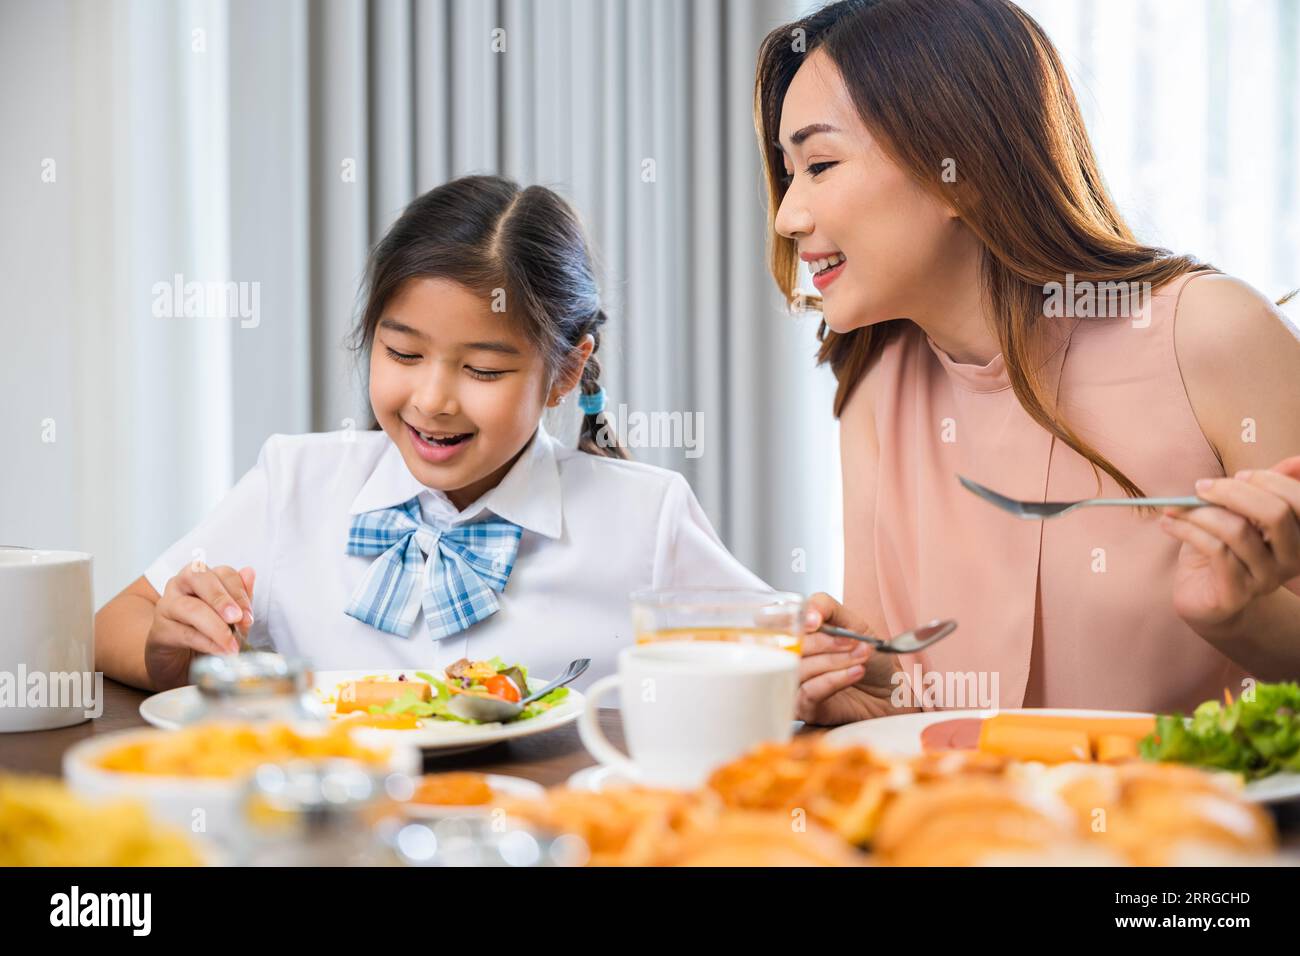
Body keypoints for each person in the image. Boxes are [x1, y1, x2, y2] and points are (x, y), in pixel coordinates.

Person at [753, 0, 1300, 722]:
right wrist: (859, 681)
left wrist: (1241, 622)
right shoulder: (876, 384)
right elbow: (908, 695)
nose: (788, 217)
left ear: (960, 168)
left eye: (819, 164)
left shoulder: (1213, 333)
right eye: (789, 175)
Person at [95, 175, 765, 691]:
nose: (433, 400)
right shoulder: (295, 483)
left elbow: (779, 659)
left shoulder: (646, 520)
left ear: (566, 372)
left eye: (482, 368)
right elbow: (111, 625)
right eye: (403, 355)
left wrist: (820, 679)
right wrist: (172, 650)